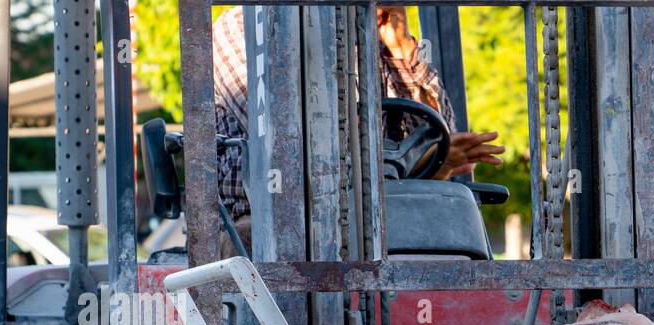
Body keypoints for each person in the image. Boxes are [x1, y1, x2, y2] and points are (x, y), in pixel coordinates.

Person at [211, 4, 503, 248]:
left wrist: (401, 50)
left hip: (386, 216)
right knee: (265, 239)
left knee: (455, 234)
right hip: (272, 216)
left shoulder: (375, 37)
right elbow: (291, 140)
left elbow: (439, 132)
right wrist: (414, 158)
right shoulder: (246, 27)